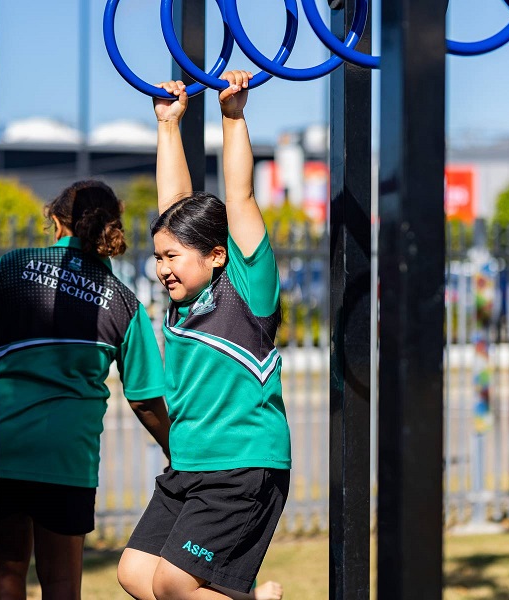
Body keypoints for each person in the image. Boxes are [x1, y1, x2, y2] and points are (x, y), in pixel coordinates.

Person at [0, 180, 171, 600]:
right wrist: (176, 448)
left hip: (0, 448)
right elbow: (144, 397)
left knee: (5, 573)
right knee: (61, 585)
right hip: (67, 459)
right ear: (109, 231)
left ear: (57, 220)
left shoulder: (13, 267)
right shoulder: (123, 301)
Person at [117, 72, 290, 600]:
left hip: (241, 466)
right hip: (190, 465)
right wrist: (169, 126)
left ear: (216, 255)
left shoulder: (246, 290)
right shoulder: (180, 302)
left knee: (173, 585)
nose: (161, 268)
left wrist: (232, 116)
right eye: (158, 257)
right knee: (134, 573)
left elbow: (238, 198)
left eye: (172, 257)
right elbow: (176, 204)